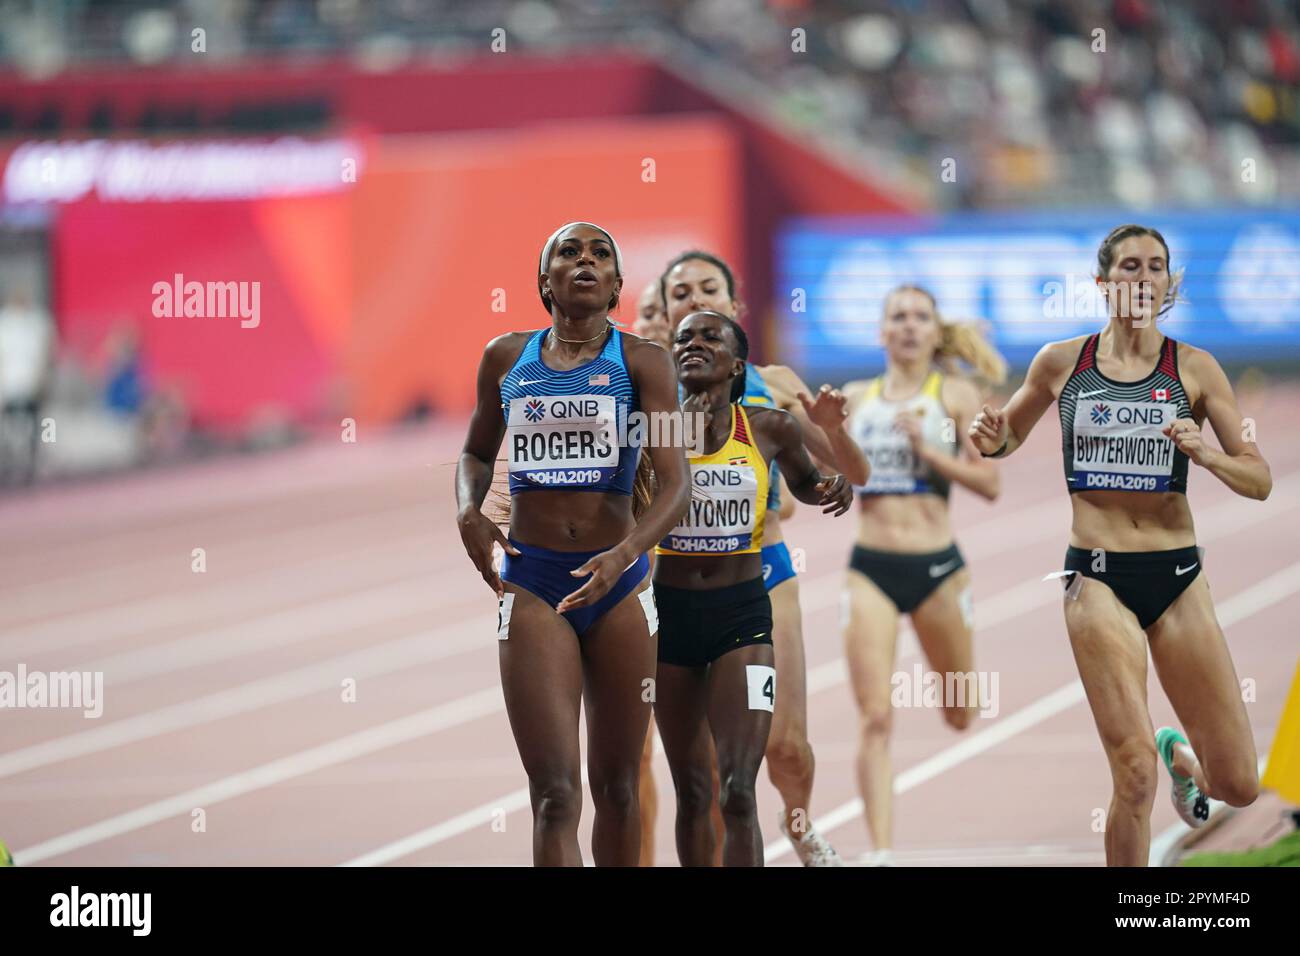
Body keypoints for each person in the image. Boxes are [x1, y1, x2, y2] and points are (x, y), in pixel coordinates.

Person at [969, 223, 1268, 866]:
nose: (1143, 278)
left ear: (1169, 283)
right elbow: (1004, 439)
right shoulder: (1062, 361)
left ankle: (1179, 752)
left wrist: (1206, 454)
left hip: (1179, 575)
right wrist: (986, 431)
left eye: (1155, 267)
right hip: (1097, 576)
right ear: (1103, 283)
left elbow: (1260, 479)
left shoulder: (1194, 368)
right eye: (1128, 267)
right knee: (1132, 773)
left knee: (1240, 784)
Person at [456, 222, 690, 866]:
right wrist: (468, 512)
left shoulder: (644, 362)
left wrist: (623, 554)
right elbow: (476, 451)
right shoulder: (507, 358)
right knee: (555, 795)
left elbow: (675, 485)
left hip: (618, 585)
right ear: (544, 281)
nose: (584, 261)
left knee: (617, 788)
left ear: (616, 286)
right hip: (532, 584)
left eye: (600, 255)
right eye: (568, 252)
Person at [660, 251, 869, 865]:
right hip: (672, 585)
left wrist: (834, 433)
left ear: (735, 302)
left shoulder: (774, 387)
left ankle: (801, 827)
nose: (694, 299)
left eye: (708, 289)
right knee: (703, 775)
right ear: (664, 311)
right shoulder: (649, 387)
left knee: (784, 748)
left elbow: (846, 475)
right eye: (680, 294)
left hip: (763, 572)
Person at [840, 284, 1005, 866]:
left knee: (960, 715)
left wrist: (928, 451)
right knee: (875, 715)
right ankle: (881, 851)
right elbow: (828, 476)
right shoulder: (856, 399)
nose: (909, 326)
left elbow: (989, 485)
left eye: (920, 318)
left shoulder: (956, 395)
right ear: (881, 331)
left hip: (937, 567)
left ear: (936, 333)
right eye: (898, 317)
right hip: (871, 568)